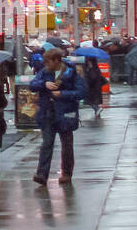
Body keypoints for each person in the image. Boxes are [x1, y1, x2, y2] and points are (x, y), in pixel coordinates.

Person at [31, 47, 86, 186]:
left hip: (65, 112)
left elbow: (81, 92)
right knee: (47, 144)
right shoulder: (44, 73)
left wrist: (63, 94)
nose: (46, 65)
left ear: (57, 61)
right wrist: (44, 84)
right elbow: (33, 84)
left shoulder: (72, 72)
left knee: (67, 145)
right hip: (48, 112)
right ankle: (42, 174)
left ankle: (67, 173)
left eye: (48, 62)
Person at [82, 55, 105, 119]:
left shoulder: (91, 67)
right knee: (92, 99)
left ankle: (97, 108)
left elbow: (92, 77)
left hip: (92, 86)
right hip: (95, 86)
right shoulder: (94, 67)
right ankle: (96, 110)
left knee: (89, 99)